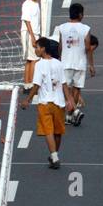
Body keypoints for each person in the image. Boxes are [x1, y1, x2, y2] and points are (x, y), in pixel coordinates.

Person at [19, 36, 65, 169]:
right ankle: (54, 155)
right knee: (58, 131)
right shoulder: (58, 63)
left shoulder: (39, 65)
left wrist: (27, 100)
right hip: (59, 102)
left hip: (44, 102)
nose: (36, 50)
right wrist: (70, 100)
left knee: (48, 131)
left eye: (37, 48)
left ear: (43, 49)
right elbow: (64, 84)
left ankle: (54, 156)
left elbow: (36, 85)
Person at [53, 2, 95, 125]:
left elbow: (60, 46)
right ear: (80, 15)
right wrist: (91, 65)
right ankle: (72, 114)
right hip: (80, 63)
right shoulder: (86, 29)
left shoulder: (62, 27)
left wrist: (59, 60)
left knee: (66, 89)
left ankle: (71, 114)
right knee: (77, 89)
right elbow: (88, 47)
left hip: (66, 62)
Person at [20, 0, 42, 86]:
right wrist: (33, 37)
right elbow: (27, 21)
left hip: (32, 34)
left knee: (29, 60)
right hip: (30, 34)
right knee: (34, 60)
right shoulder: (27, 4)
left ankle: (27, 84)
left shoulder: (35, 3)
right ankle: (33, 84)